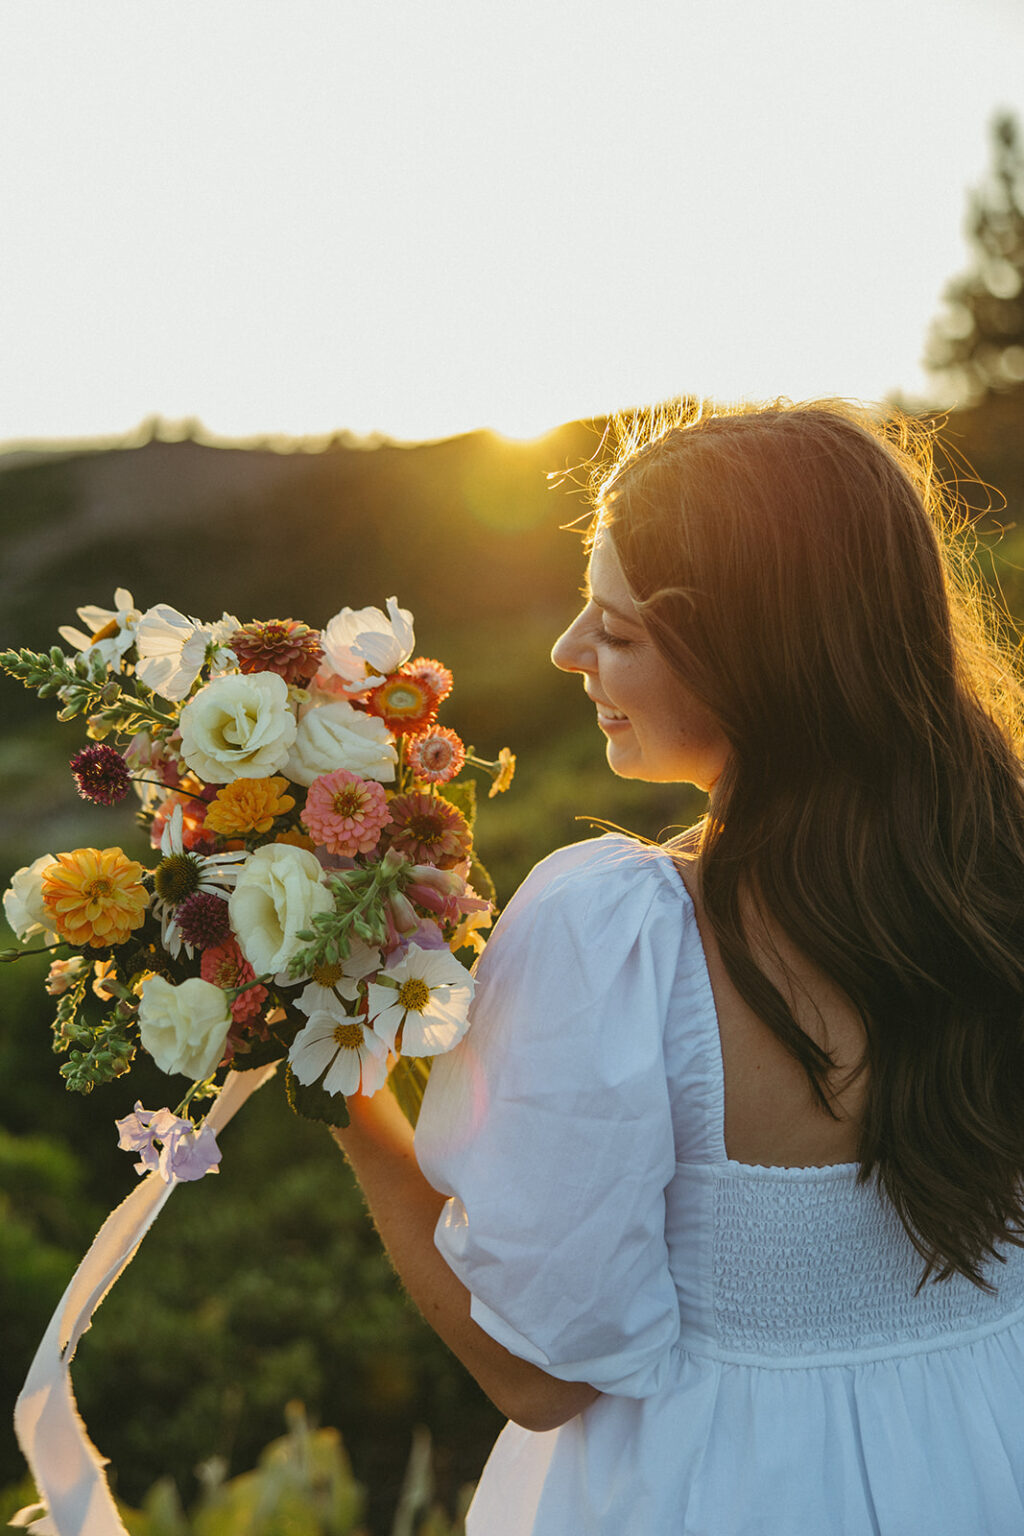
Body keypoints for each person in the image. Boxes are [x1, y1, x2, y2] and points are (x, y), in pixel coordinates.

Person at [332, 400, 1024, 1534]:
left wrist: (346, 1096)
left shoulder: (622, 936)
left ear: (755, 658)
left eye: (617, 627)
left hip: (726, 1488)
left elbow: (538, 1376)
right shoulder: (994, 880)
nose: (568, 653)